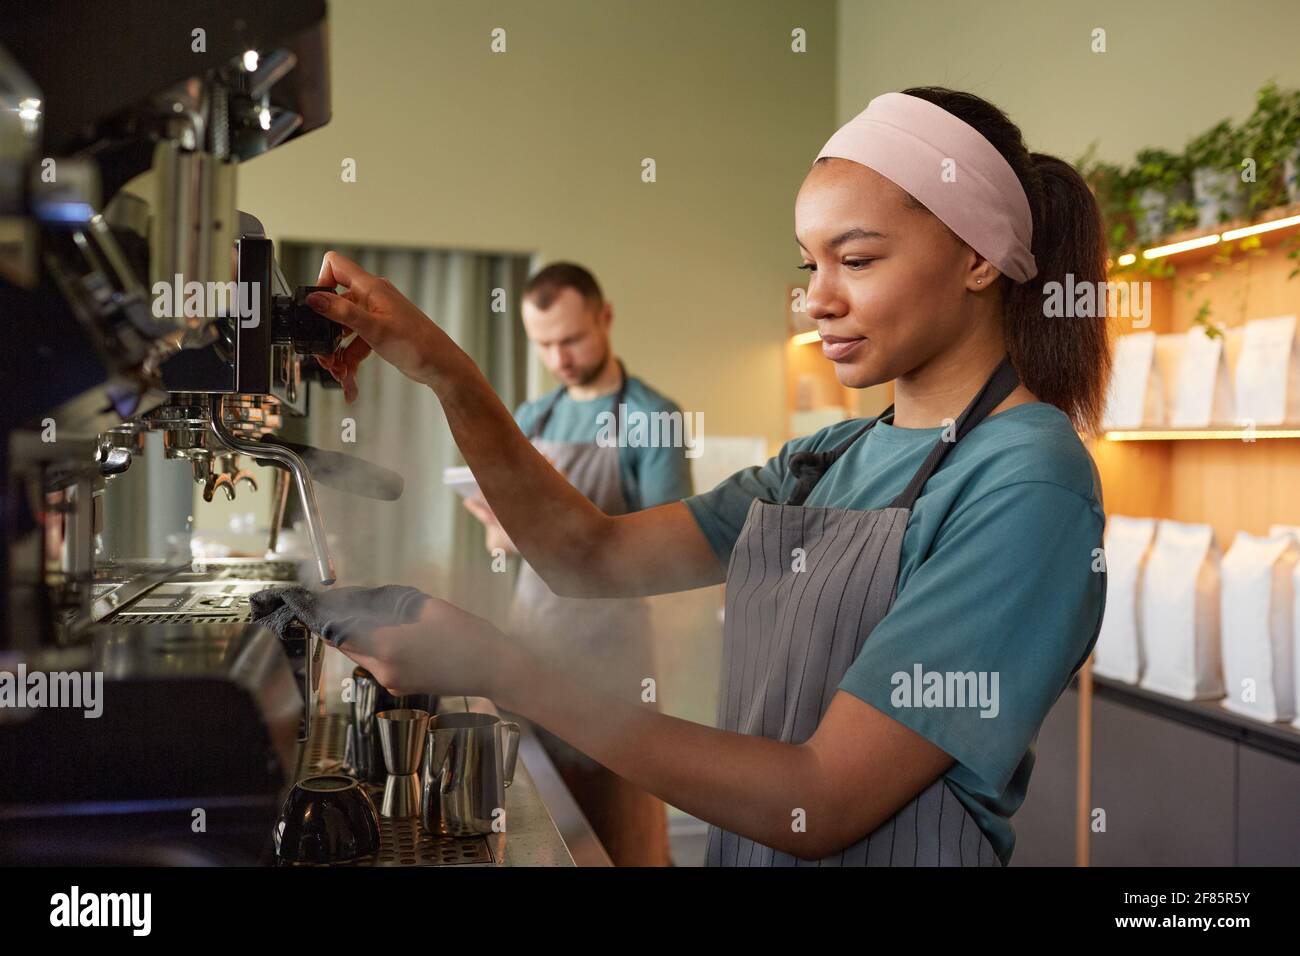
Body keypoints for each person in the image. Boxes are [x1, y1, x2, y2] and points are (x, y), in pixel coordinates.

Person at [311, 86, 1110, 866]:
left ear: (977, 258)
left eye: (857, 259)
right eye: (809, 264)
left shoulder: (1027, 483)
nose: (814, 300)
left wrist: (501, 671)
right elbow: (586, 555)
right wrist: (447, 373)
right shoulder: (825, 459)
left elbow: (823, 798)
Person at [464, 262, 692, 867]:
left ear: (605, 317)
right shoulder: (532, 416)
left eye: (571, 339)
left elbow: (669, 556)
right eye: (543, 344)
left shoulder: (652, 417)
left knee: (625, 841)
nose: (559, 357)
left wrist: (538, 539)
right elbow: (502, 546)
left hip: (613, 667)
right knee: (540, 833)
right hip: (533, 647)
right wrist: (498, 529)